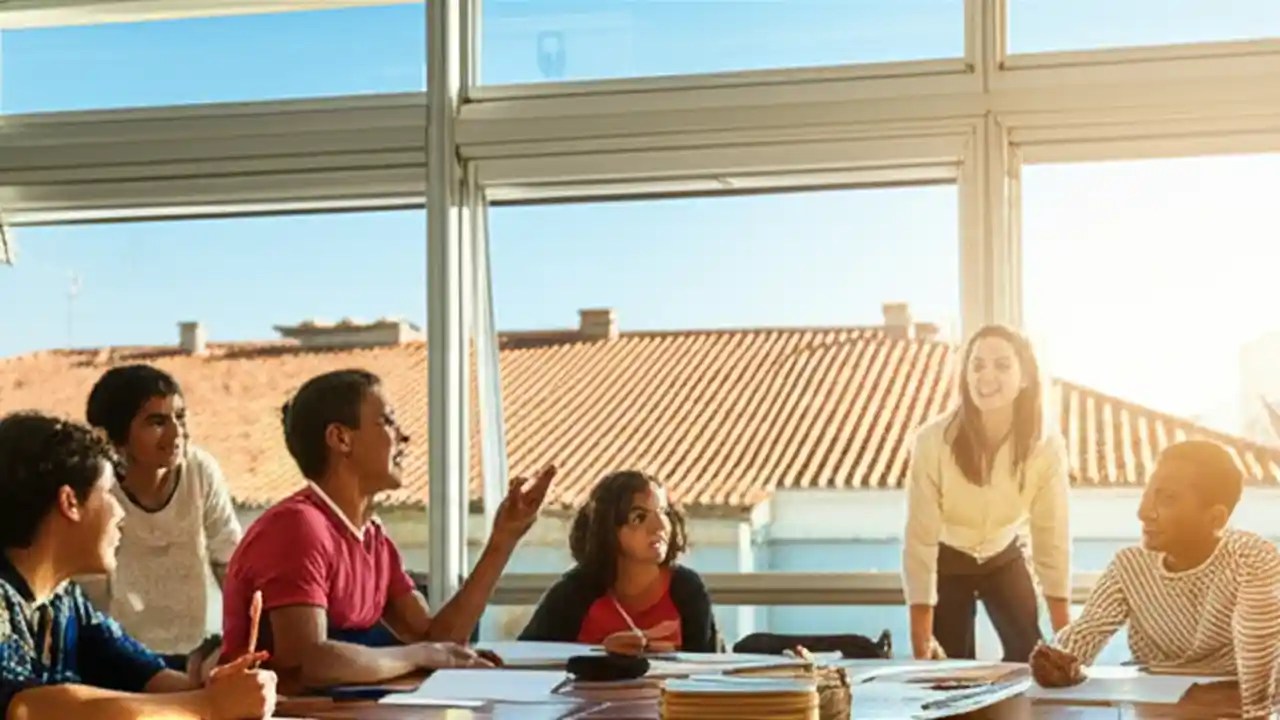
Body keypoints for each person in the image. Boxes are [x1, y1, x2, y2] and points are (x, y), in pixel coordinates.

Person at [220, 369, 557, 692]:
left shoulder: (373, 540)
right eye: (388, 421)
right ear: (341, 438)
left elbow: (438, 639)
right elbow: (308, 661)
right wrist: (418, 655)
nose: (404, 436)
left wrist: (503, 539)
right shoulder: (297, 527)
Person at [0, 412, 275, 720]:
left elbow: (142, 675)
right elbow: (26, 707)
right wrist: (207, 706)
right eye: (109, 495)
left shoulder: (64, 599)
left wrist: (221, 691)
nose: (120, 515)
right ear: (70, 502)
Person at [1031, 440, 1280, 719]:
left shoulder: (1251, 559)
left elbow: (1260, 652)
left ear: (1215, 518)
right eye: (1148, 494)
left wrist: (1257, 712)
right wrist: (1058, 660)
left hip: (1229, 705)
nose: (1143, 512)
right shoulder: (1129, 566)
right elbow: (1084, 636)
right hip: (1157, 707)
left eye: (1167, 499)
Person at [903, 324, 1071, 662]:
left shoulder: (1046, 446)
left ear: (1025, 377)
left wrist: (1069, 641)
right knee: (948, 672)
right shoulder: (932, 441)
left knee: (1031, 655)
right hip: (947, 559)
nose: (986, 375)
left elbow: (1051, 537)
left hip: (1003, 555)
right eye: (977, 365)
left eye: (1002, 365)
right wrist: (922, 643)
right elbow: (919, 541)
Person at [82, 364, 242, 665]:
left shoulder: (200, 471)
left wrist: (243, 641)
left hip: (193, 650)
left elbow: (230, 562)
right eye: (156, 422)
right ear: (115, 436)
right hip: (111, 655)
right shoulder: (94, 486)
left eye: (179, 417)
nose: (176, 433)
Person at [519, 470, 718, 654]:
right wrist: (598, 656)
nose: (659, 526)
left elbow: (710, 672)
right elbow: (527, 658)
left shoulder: (686, 589)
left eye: (664, 512)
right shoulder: (574, 593)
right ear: (607, 528)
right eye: (639, 517)